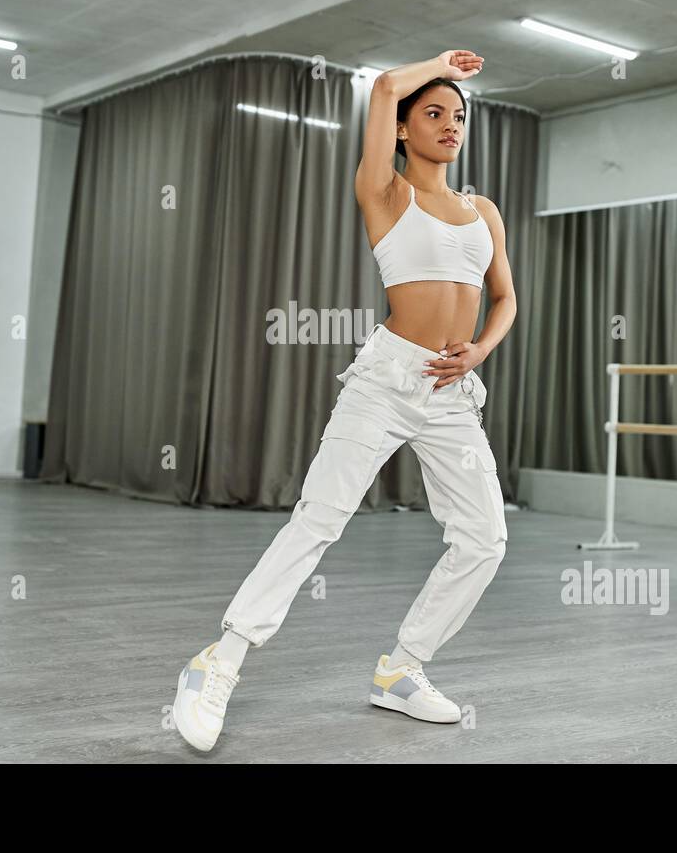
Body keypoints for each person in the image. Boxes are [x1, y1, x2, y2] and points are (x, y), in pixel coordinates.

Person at [173, 49, 517, 752]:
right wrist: (438, 63)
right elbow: (386, 85)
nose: (450, 126)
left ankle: (402, 669)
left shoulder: (484, 212)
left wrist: (480, 349)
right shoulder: (385, 191)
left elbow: (505, 298)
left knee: (485, 538)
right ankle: (220, 660)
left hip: (452, 391)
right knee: (318, 519)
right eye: (433, 114)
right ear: (401, 129)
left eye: (459, 116)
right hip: (387, 380)